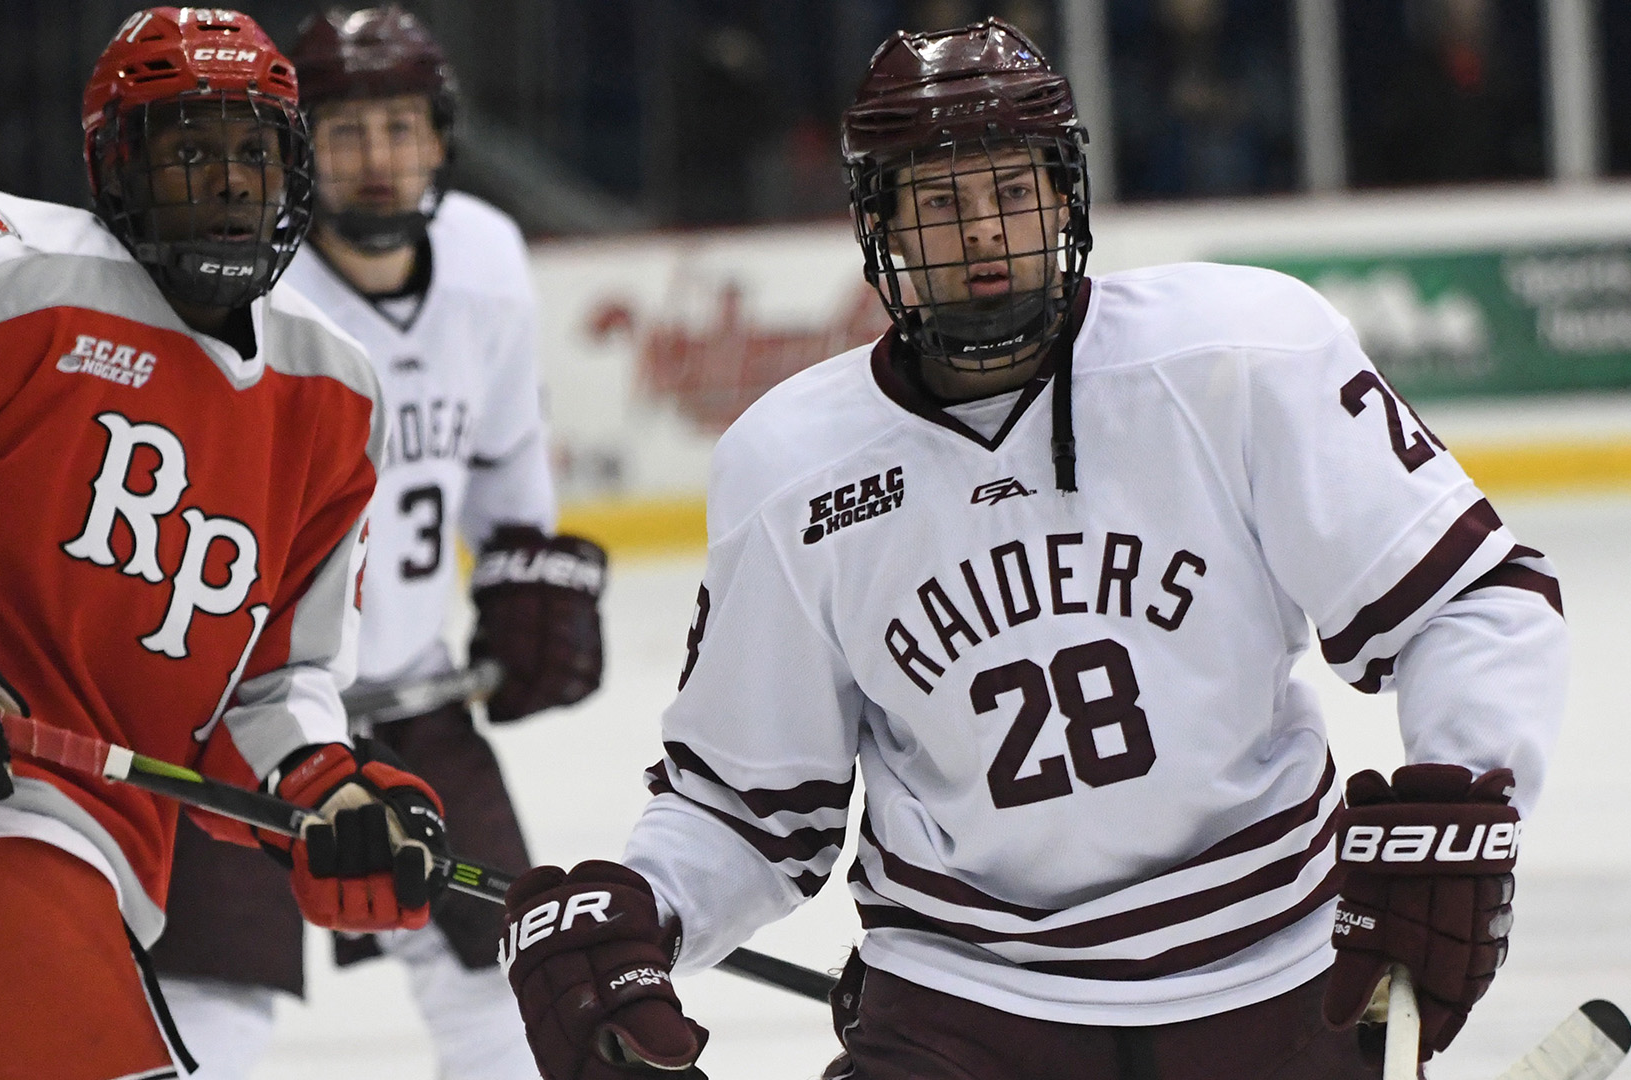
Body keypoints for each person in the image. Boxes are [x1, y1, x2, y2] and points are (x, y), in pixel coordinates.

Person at [496, 19, 1566, 1080]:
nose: (984, 239)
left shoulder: (1237, 358)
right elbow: (749, 805)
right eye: (942, 206)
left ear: (1066, 196)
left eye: (1012, 192)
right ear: (880, 230)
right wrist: (643, 917)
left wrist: (1467, 793)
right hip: (967, 1010)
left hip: (1277, 973)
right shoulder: (792, 469)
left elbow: (1473, 600)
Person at [0, 8, 450, 1077]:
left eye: (254, 151)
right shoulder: (4, 267)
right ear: (116, 166)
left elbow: (275, 682)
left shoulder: (335, 390)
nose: (226, 183)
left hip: (89, 849)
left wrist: (324, 788)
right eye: (190, 151)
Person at [149, 8, 605, 1080]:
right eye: (346, 132)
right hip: (242, 717)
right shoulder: (238, 282)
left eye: (401, 129)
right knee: (212, 1018)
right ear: (300, 149)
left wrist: (525, 569)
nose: (380, 161)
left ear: (441, 138)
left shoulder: (488, 260)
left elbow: (503, 456)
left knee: (512, 993)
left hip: (412, 698)